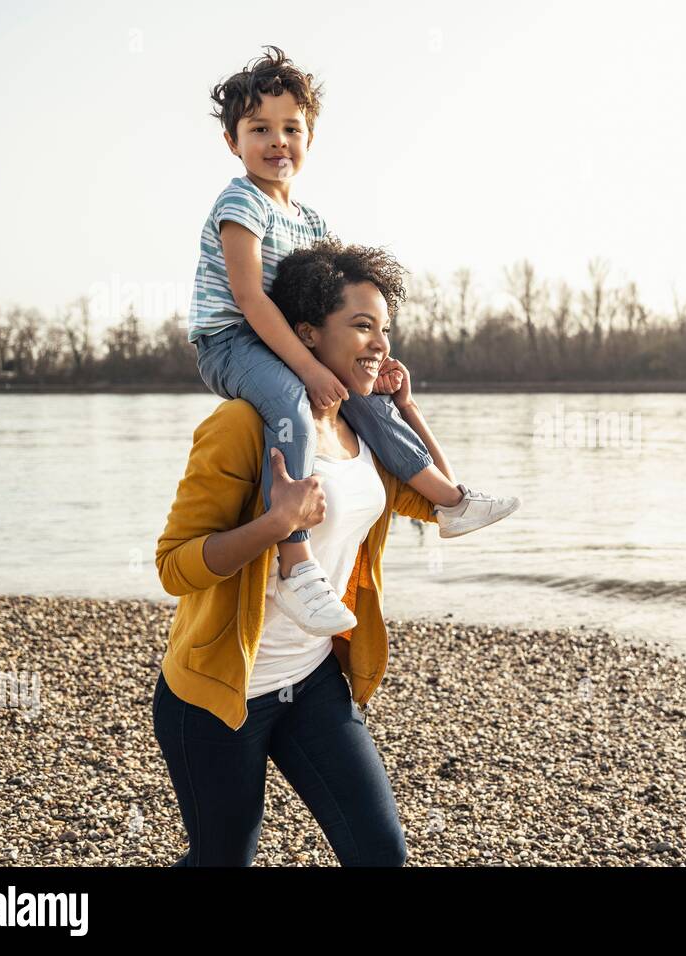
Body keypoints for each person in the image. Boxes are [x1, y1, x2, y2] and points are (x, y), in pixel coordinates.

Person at [189, 45, 518, 638]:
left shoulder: (312, 222)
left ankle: (450, 502)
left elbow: (332, 295)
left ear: (310, 135)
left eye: (291, 128)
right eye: (258, 128)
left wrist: (370, 369)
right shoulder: (240, 202)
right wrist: (310, 370)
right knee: (294, 401)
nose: (277, 141)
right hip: (234, 341)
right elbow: (250, 298)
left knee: (365, 400)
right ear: (233, 142)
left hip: (290, 341)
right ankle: (294, 563)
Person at [153, 240, 457, 866]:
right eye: (362, 326)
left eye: (386, 329)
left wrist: (406, 410)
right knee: (220, 860)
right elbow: (174, 565)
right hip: (220, 694)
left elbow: (447, 503)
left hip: (313, 679)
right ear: (308, 334)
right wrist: (275, 524)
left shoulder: (365, 428)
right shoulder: (243, 425)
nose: (380, 343)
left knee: (381, 854)